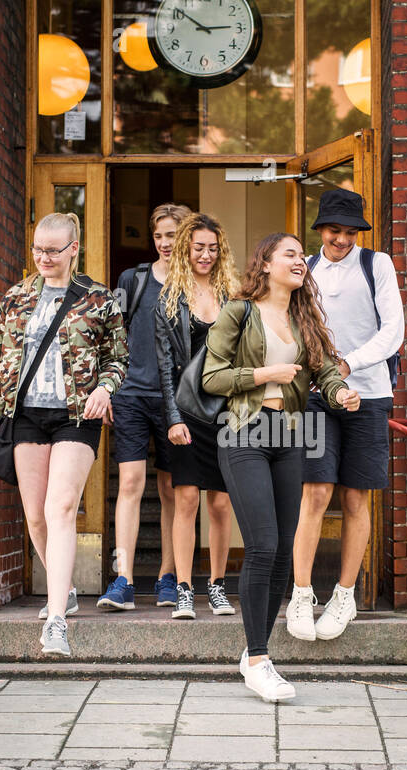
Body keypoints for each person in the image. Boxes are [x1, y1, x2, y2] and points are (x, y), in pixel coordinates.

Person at [203, 233, 360, 702]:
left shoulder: (304, 316)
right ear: (265, 263)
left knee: (280, 554)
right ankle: (258, 660)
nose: (300, 261)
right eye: (290, 254)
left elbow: (327, 369)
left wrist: (338, 393)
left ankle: (257, 651)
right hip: (243, 432)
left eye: (301, 256)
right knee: (263, 543)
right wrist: (265, 375)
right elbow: (212, 376)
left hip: (290, 437)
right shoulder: (239, 311)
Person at [0, 212, 127, 656]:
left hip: (76, 414)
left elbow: (119, 357)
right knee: (36, 517)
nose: (43, 258)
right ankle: (62, 589)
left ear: (73, 249)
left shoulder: (98, 298)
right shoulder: (16, 297)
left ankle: (57, 622)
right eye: (37, 250)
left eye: (52, 250)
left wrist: (105, 388)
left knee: (60, 507)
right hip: (24, 414)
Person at [287, 188, 404, 642]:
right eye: (334, 230)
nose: (342, 239)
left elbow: (394, 330)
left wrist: (349, 365)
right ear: (320, 230)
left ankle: (344, 595)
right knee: (315, 494)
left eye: (350, 231)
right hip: (318, 399)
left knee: (356, 499)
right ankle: (301, 594)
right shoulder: (307, 270)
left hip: (370, 398)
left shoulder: (377, 265)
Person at [97, 203, 190, 613]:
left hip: (178, 402)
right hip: (131, 395)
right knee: (131, 484)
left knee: (172, 489)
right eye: (159, 236)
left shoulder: (198, 283)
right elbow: (112, 335)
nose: (166, 243)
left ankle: (169, 577)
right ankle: (125, 580)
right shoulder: (131, 279)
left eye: (173, 235)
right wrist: (108, 388)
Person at [154, 213, 239, 620]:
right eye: (198, 246)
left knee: (220, 504)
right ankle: (185, 588)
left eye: (212, 247)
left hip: (227, 415)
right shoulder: (169, 299)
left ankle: (217, 585)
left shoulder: (234, 296)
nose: (205, 254)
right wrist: (172, 418)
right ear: (186, 248)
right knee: (186, 499)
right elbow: (165, 366)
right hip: (187, 414)